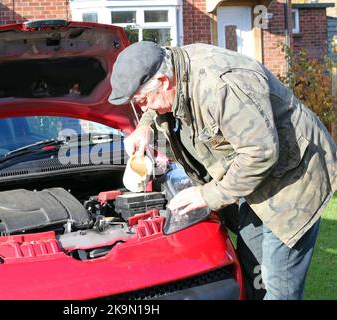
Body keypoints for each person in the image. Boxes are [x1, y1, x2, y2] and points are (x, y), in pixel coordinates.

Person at [108, 41, 337, 300]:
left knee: (278, 282)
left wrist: (207, 195)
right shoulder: (173, 69)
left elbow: (259, 154)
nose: (143, 108)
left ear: (163, 81)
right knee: (253, 265)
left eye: (143, 101)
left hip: (294, 179)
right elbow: (156, 103)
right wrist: (146, 126)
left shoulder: (221, 86)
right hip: (255, 180)